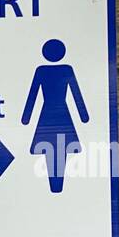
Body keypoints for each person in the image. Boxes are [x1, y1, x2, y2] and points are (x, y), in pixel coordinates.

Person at [21, 38, 89, 193]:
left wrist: (27, 117)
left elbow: (33, 95)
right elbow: (75, 94)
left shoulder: (44, 70)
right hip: (60, 113)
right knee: (57, 147)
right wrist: (83, 116)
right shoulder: (63, 70)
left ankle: (56, 186)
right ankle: (55, 186)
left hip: (49, 113)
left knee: (53, 147)